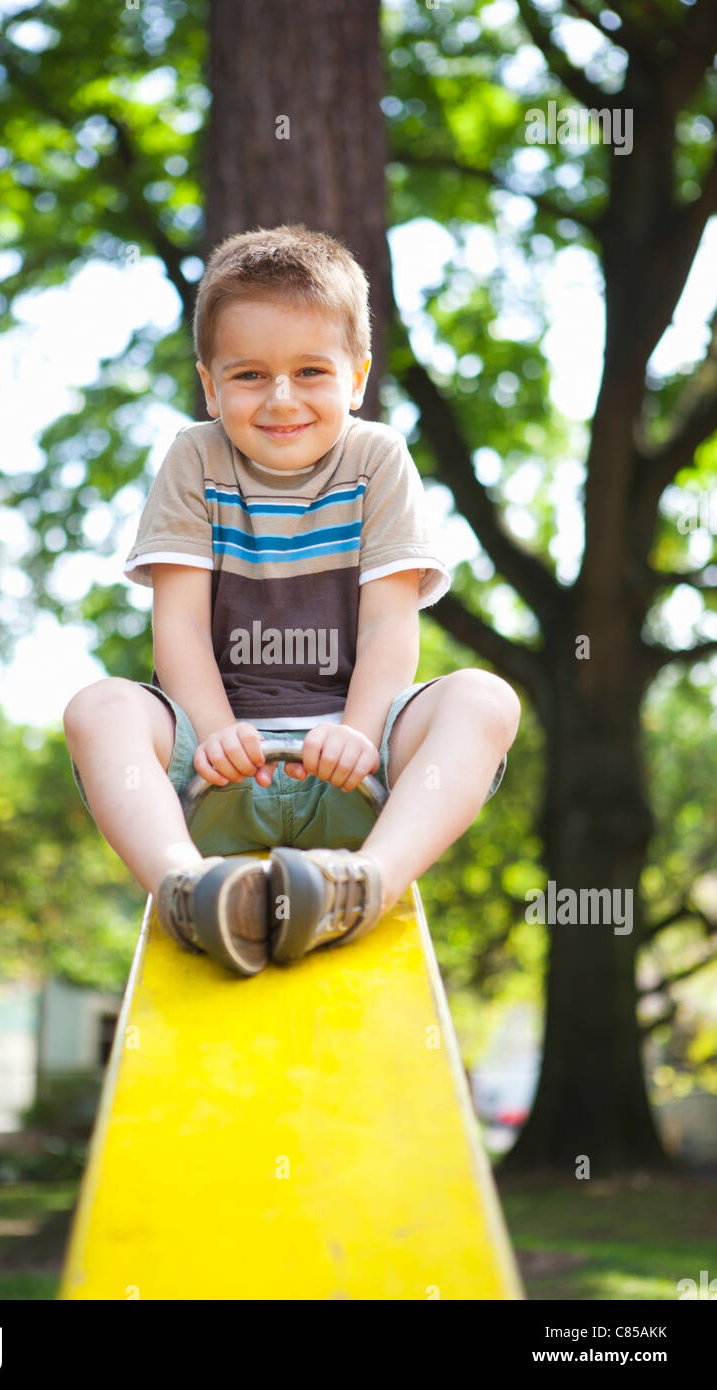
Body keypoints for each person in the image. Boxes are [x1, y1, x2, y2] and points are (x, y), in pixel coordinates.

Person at [63, 224, 520, 978]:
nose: (281, 399)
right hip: (218, 773)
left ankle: (367, 882)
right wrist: (214, 736)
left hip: (355, 768)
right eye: (248, 376)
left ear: (356, 377)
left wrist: (361, 731)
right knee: (98, 707)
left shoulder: (378, 459)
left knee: (485, 699)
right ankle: (187, 885)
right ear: (211, 385)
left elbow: (387, 628)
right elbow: (177, 626)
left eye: (311, 371)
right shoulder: (195, 457)